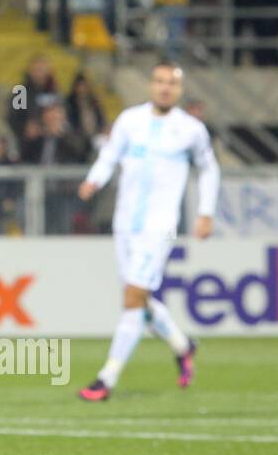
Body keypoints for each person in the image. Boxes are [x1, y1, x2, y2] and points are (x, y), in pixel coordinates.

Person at [76, 62, 219, 400]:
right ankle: (183, 346)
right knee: (139, 300)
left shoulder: (191, 130)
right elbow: (110, 156)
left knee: (132, 299)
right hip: (125, 224)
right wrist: (94, 179)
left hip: (160, 227)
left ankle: (106, 378)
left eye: (172, 83)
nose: (165, 88)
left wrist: (206, 212)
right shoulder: (130, 120)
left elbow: (209, 170)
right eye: (159, 81)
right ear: (151, 85)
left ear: (180, 90)